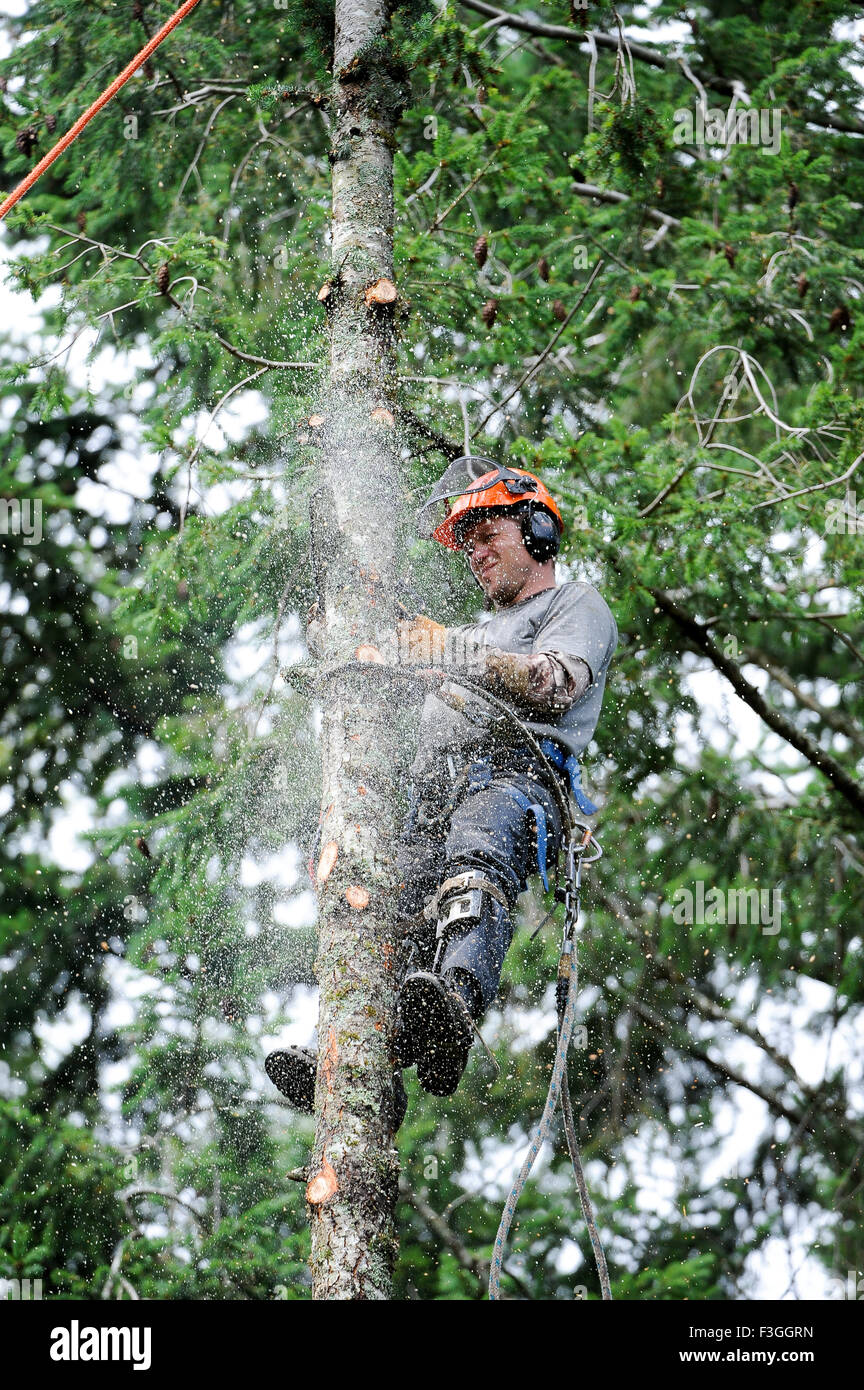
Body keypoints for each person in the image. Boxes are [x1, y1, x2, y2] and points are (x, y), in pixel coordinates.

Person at [265, 460, 617, 1125]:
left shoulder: (574, 606)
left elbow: (553, 682)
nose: (477, 554)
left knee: (475, 860)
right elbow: (412, 682)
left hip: (515, 780)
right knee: (377, 903)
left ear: (537, 532)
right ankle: (361, 1061)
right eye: (469, 544)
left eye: (489, 536)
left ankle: (456, 1002)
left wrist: (449, 650)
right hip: (434, 804)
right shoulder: (469, 634)